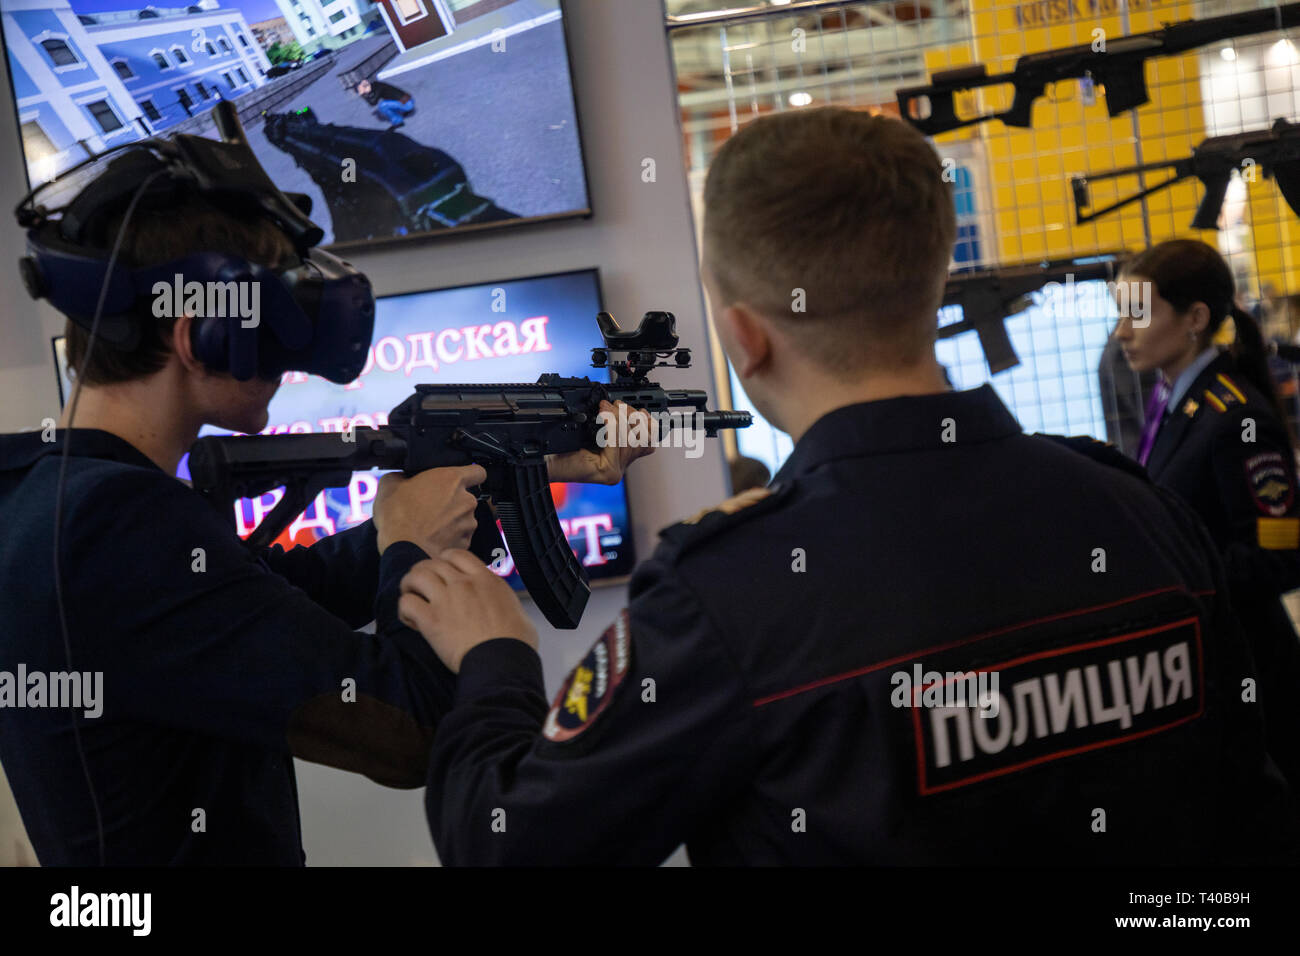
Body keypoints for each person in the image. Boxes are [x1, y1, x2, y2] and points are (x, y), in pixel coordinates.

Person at [401, 108, 1298, 865]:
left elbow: (502, 842)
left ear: (744, 337)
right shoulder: (1134, 511)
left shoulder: (728, 597)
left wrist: (494, 661)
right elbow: (1252, 822)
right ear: (934, 278)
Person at [0, 147, 643, 864]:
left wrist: (509, 469)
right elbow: (411, 730)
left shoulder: (46, 491)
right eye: (275, 318)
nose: (293, 348)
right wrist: (415, 551)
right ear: (199, 334)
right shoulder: (114, 526)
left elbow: (266, 602)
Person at [1113, 239, 1300, 799]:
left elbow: (1281, 557)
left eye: (1138, 313)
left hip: (1256, 677)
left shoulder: (1234, 418)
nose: (1123, 331)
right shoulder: (1178, 404)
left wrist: (1172, 580)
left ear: (1195, 318)